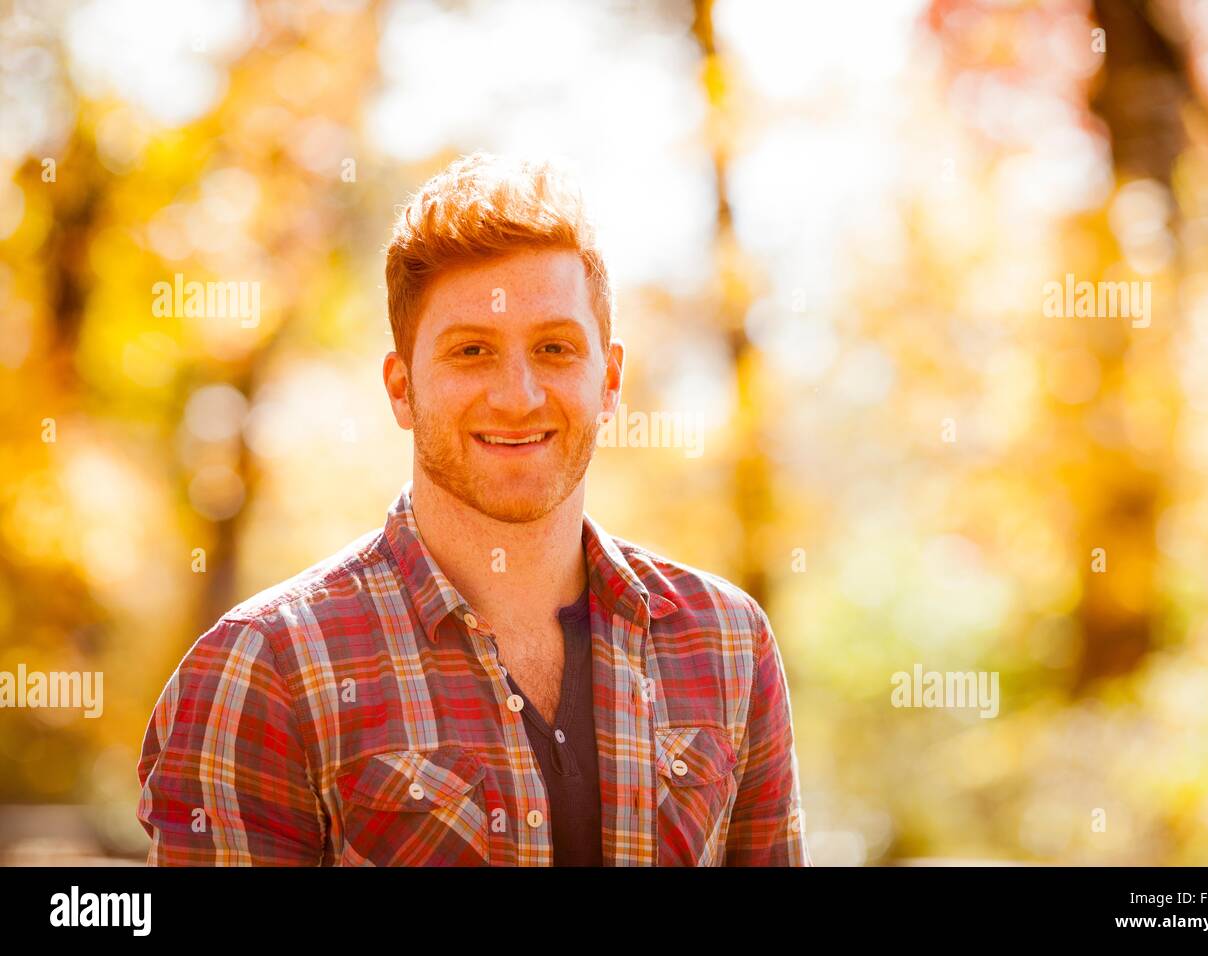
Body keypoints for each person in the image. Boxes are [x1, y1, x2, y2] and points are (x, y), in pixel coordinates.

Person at [135, 151, 811, 866]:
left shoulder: (728, 643)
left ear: (608, 381)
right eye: (471, 351)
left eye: (554, 347)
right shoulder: (268, 667)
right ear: (402, 388)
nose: (517, 395)